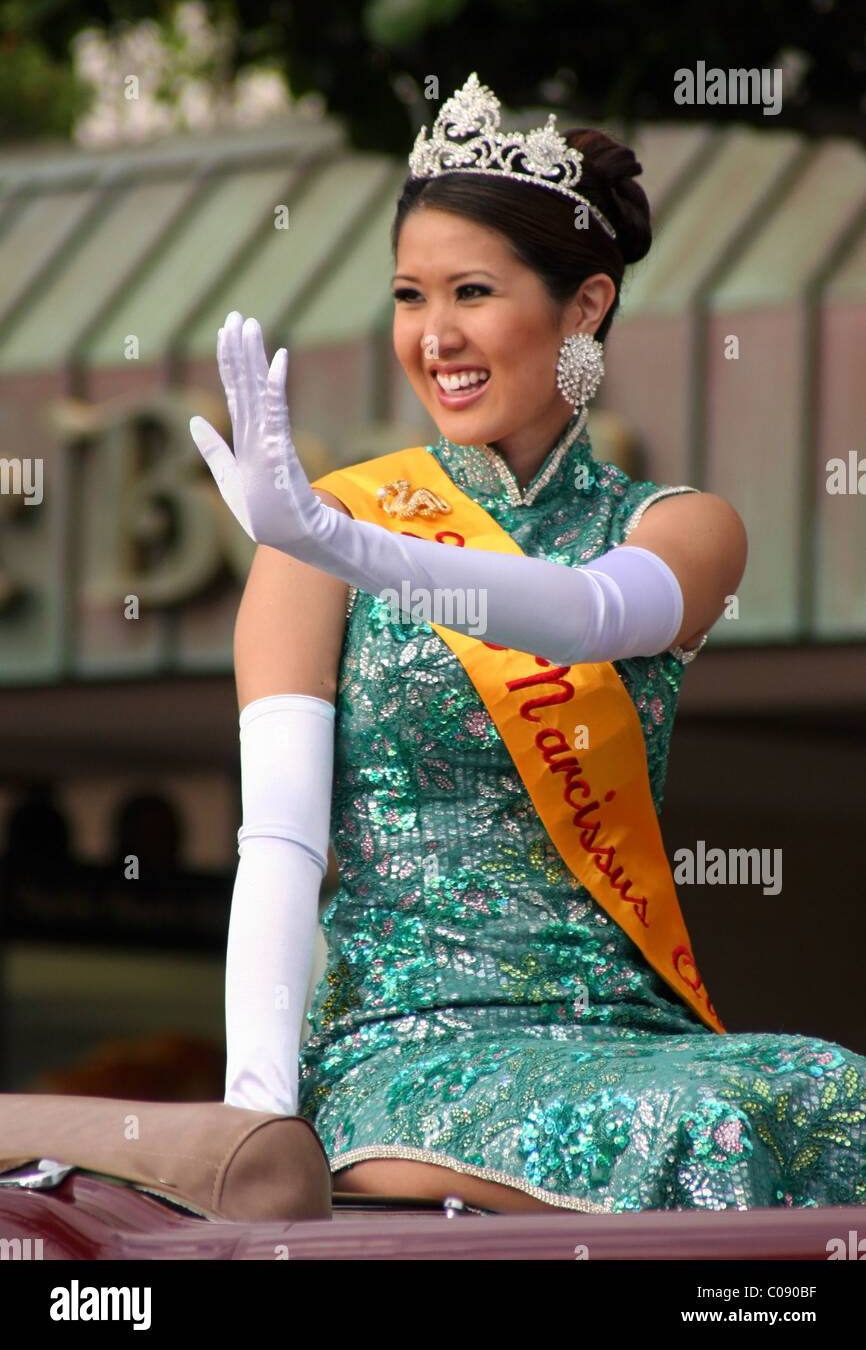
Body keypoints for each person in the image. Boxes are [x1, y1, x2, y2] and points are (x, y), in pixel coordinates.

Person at [190, 74, 866, 1213]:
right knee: (690, 1123)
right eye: (408, 295)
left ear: (584, 304)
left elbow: (589, 615)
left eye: (471, 291)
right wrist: (255, 1127)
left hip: (630, 1027)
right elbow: (280, 845)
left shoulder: (674, 527)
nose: (433, 335)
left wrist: (355, 549)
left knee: (831, 1087)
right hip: (404, 1053)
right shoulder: (324, 533)